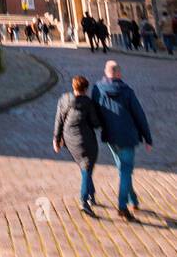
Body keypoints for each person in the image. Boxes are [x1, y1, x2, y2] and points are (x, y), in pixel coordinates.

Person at [91, 61, 152, 221]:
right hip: (127, 136)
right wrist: (147, 137)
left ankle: (133, 200)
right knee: (125, 171)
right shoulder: (127, 91)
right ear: (119, 73)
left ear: (106, 72)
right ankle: (122, 206)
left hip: (111, 137)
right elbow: (139, 115)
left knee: (123, 169)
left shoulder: (97, 89)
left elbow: (95, 112)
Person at [53, 74, 103, 216]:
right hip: (84, 139)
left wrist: (56, 139)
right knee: (87, 166)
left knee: (84, 166)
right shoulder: (87, 103)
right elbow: (95, 123)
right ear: (86, 89)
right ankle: (83, 200)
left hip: (69, 139)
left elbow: (59, 119)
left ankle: (91, 194)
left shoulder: (64, 99)